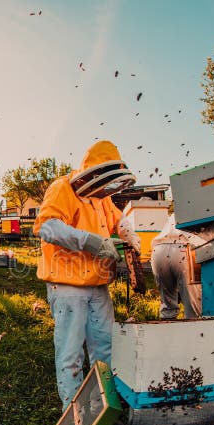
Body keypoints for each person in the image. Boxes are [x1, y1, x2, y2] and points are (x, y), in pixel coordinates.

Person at [33, 140, 140, 410]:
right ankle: (73, 412)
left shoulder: (101, 198)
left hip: (98, 285)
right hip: (67, 286)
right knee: (70, 354)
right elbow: (48, 228)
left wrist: (128, 230)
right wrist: (91, 242)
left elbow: (118, 220)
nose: (105, 190)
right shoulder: (62, 188)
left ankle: (99, 408)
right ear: (91, 172)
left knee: (105, 349)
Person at [149, 212, 211, 319]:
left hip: (158, 250)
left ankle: (168, 332)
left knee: (167, 307)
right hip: (183, 249)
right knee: (193, 306)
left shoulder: (179, 207)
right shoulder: (204, 208)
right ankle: (194, 332)